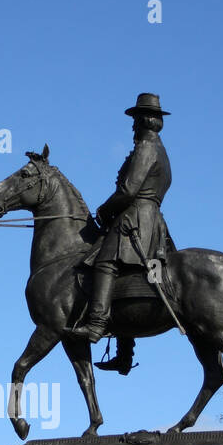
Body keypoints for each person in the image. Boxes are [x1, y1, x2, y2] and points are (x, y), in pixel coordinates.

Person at [66, 93, 173, 350]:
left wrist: (104, 209)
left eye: (136, 120)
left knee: (105, 262)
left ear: (145, 121)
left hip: (136, 218)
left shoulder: (146, 149)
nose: (133, 126)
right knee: (130, 274)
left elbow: (128, 190)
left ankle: (97, 324)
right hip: (154, 220)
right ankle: (125, 350)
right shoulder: (161, 149)